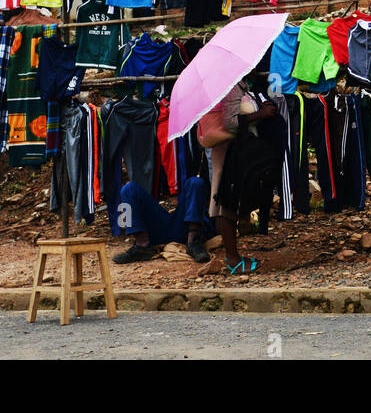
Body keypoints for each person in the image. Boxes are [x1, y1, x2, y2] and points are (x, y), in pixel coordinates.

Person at [112, 79, 276, 270]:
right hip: (162, 222)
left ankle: (193, 240)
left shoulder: (235, 87)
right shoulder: (225, 89)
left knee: (196, 184)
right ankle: (141, 243)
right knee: (128, 189)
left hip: (189, 221)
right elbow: (230, 123)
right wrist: (260, 113)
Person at [197, 79, 277, 275]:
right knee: (225, 201)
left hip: (231, 151)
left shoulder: (239, 84)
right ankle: (232, 258)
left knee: (225, 199)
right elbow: (231, 122)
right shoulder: (231, 86)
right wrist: (261, 114)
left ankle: (232, 256)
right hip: (227, 151)